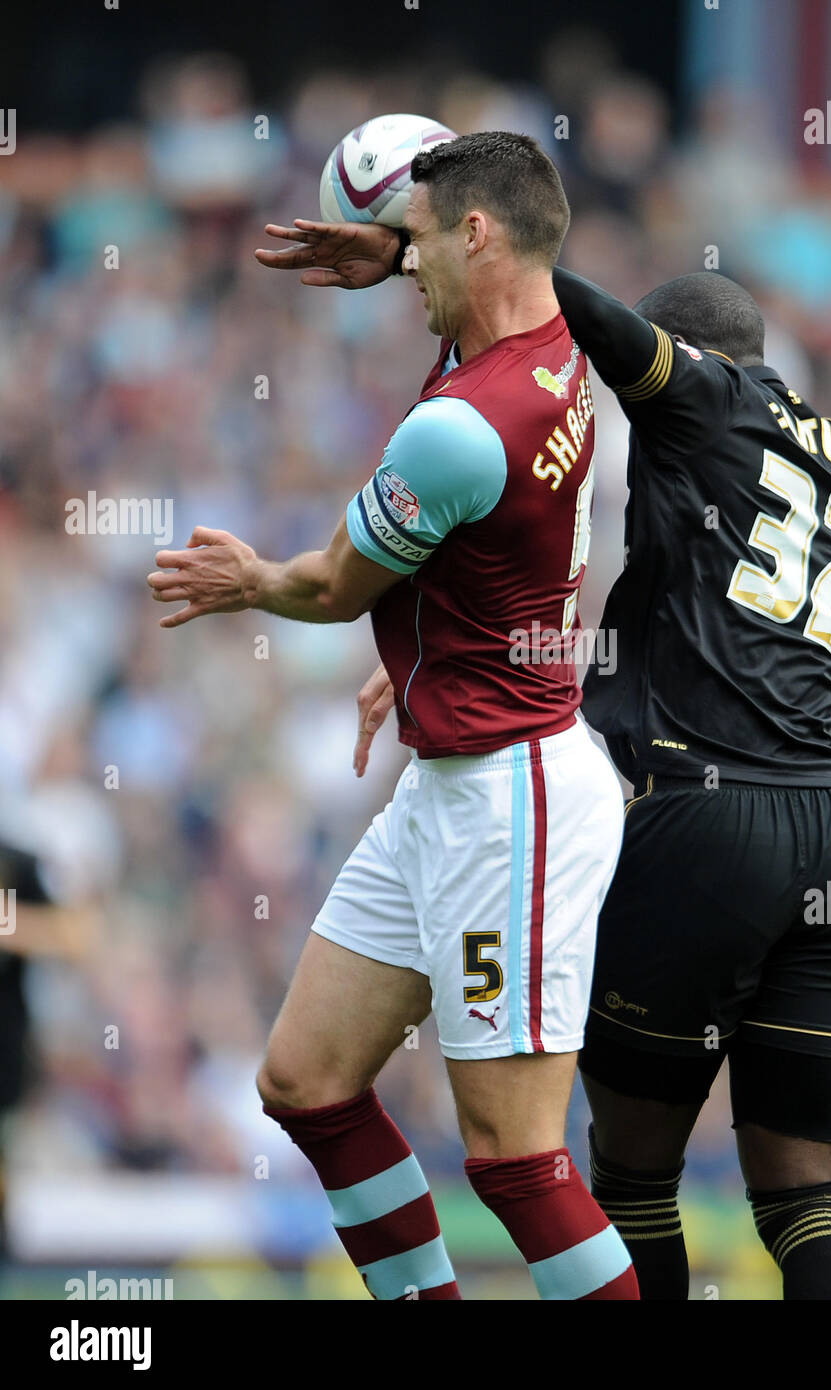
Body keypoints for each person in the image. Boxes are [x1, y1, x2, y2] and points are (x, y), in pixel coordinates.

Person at [148, 132, 636, 1301]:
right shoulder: (548, 337)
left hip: (509, 800)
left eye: (415, 244)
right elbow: (509, 248)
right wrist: (424, 654)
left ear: (474, 234)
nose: (399, 267)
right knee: (305, 1081)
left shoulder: (460, 426)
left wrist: (249, 580)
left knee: (516, 1161)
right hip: (455, 765)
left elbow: (327, 586)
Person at [549, 266, 831, 1300]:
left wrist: (485, 234)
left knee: (635, 1182)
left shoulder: (708, 400)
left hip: (706, 812)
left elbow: (605, 327)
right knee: (803, 1204)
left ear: (684, 353)